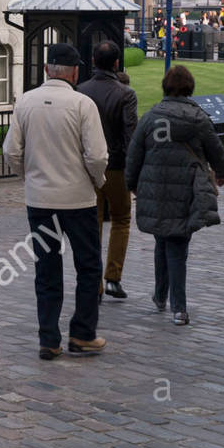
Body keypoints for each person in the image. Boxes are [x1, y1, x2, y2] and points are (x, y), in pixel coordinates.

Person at [2, 43, 109, 359]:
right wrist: (96, 181)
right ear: (75, 72)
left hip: (41, 198)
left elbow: (11, 151)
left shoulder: (25, 102)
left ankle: (49, 338)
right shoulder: (82, 104)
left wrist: (29, 175)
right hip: (78, 200)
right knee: (88, 267)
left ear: (47, 69)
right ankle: (82, 334)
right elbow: (97, 155)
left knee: (46, 270)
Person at [125, 65, 224, 326]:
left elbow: (134, 153)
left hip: (156, 187)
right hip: (185, 188)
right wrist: (222, 172)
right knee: (177, 245)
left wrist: (132, 183)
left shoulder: (151, 117)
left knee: (163, 240)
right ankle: (178, 307)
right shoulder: (197, 117)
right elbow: (215, 148)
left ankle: (161, 296)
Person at [77, 41, 139, 300]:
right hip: (115, 167)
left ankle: (95, 284)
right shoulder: (125, 93)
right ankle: (113, 278)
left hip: (88, 168)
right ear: (116, 63)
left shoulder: (80, 91)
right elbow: (130, 135)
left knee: (93, 224)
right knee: (121, 220)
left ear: (93, 60)